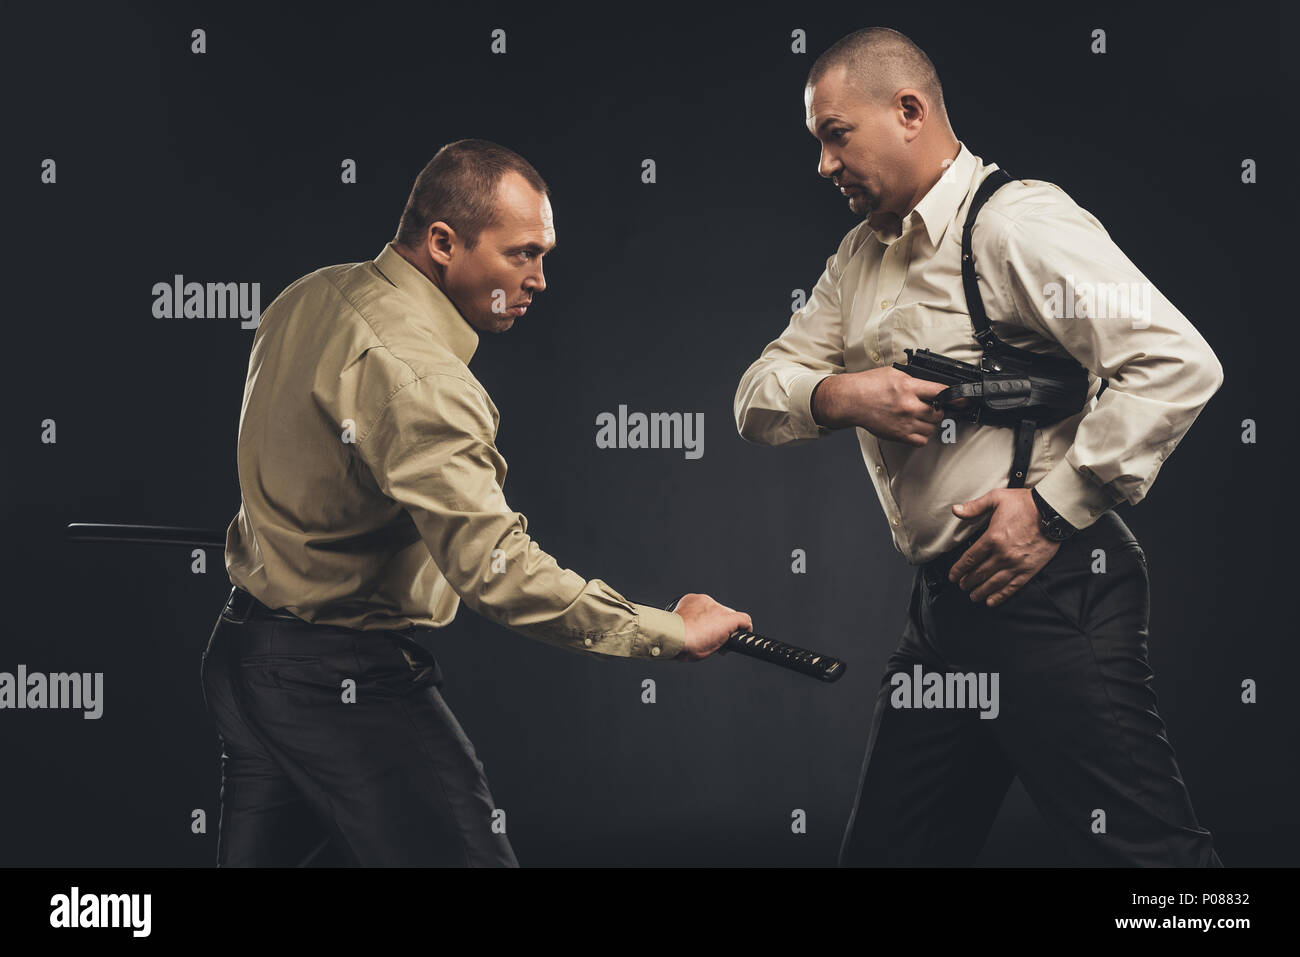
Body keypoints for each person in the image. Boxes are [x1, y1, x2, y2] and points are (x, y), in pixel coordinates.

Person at [733, 27, 1224, 866]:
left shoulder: (1014, 225)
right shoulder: (858, 258)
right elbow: (754, 398)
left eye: (834, 134)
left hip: (1051, 592)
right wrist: (843, 392)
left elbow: (1177, 362)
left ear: (910, 111)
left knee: (1155, 865)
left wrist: (1054, 508)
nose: (823, 164)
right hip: (949, 611)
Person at [202, 138, 752, 867]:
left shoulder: (307, 296)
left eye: (544, 254)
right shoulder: (421, 379)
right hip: (339, 682)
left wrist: (301, 541)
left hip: (243, 655)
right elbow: (499, 572)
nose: (540, 278)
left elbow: (307, 474)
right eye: (522, 254)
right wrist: (670, 632)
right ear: (442, 243)